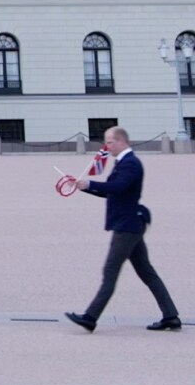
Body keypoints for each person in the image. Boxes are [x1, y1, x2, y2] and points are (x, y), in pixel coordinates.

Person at [65, 126, 180, 333]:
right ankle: (171, 316)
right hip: (130, 224)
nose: (106, 147)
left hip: (127, 226)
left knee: (110, 272)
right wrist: (85, 187)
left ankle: (90, 317)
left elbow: (118, 188)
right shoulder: (124, 162)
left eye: (109, 142)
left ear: (121, 142)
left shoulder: (130, 164)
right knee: (147, 273)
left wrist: (91, 182)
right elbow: (113, 192)